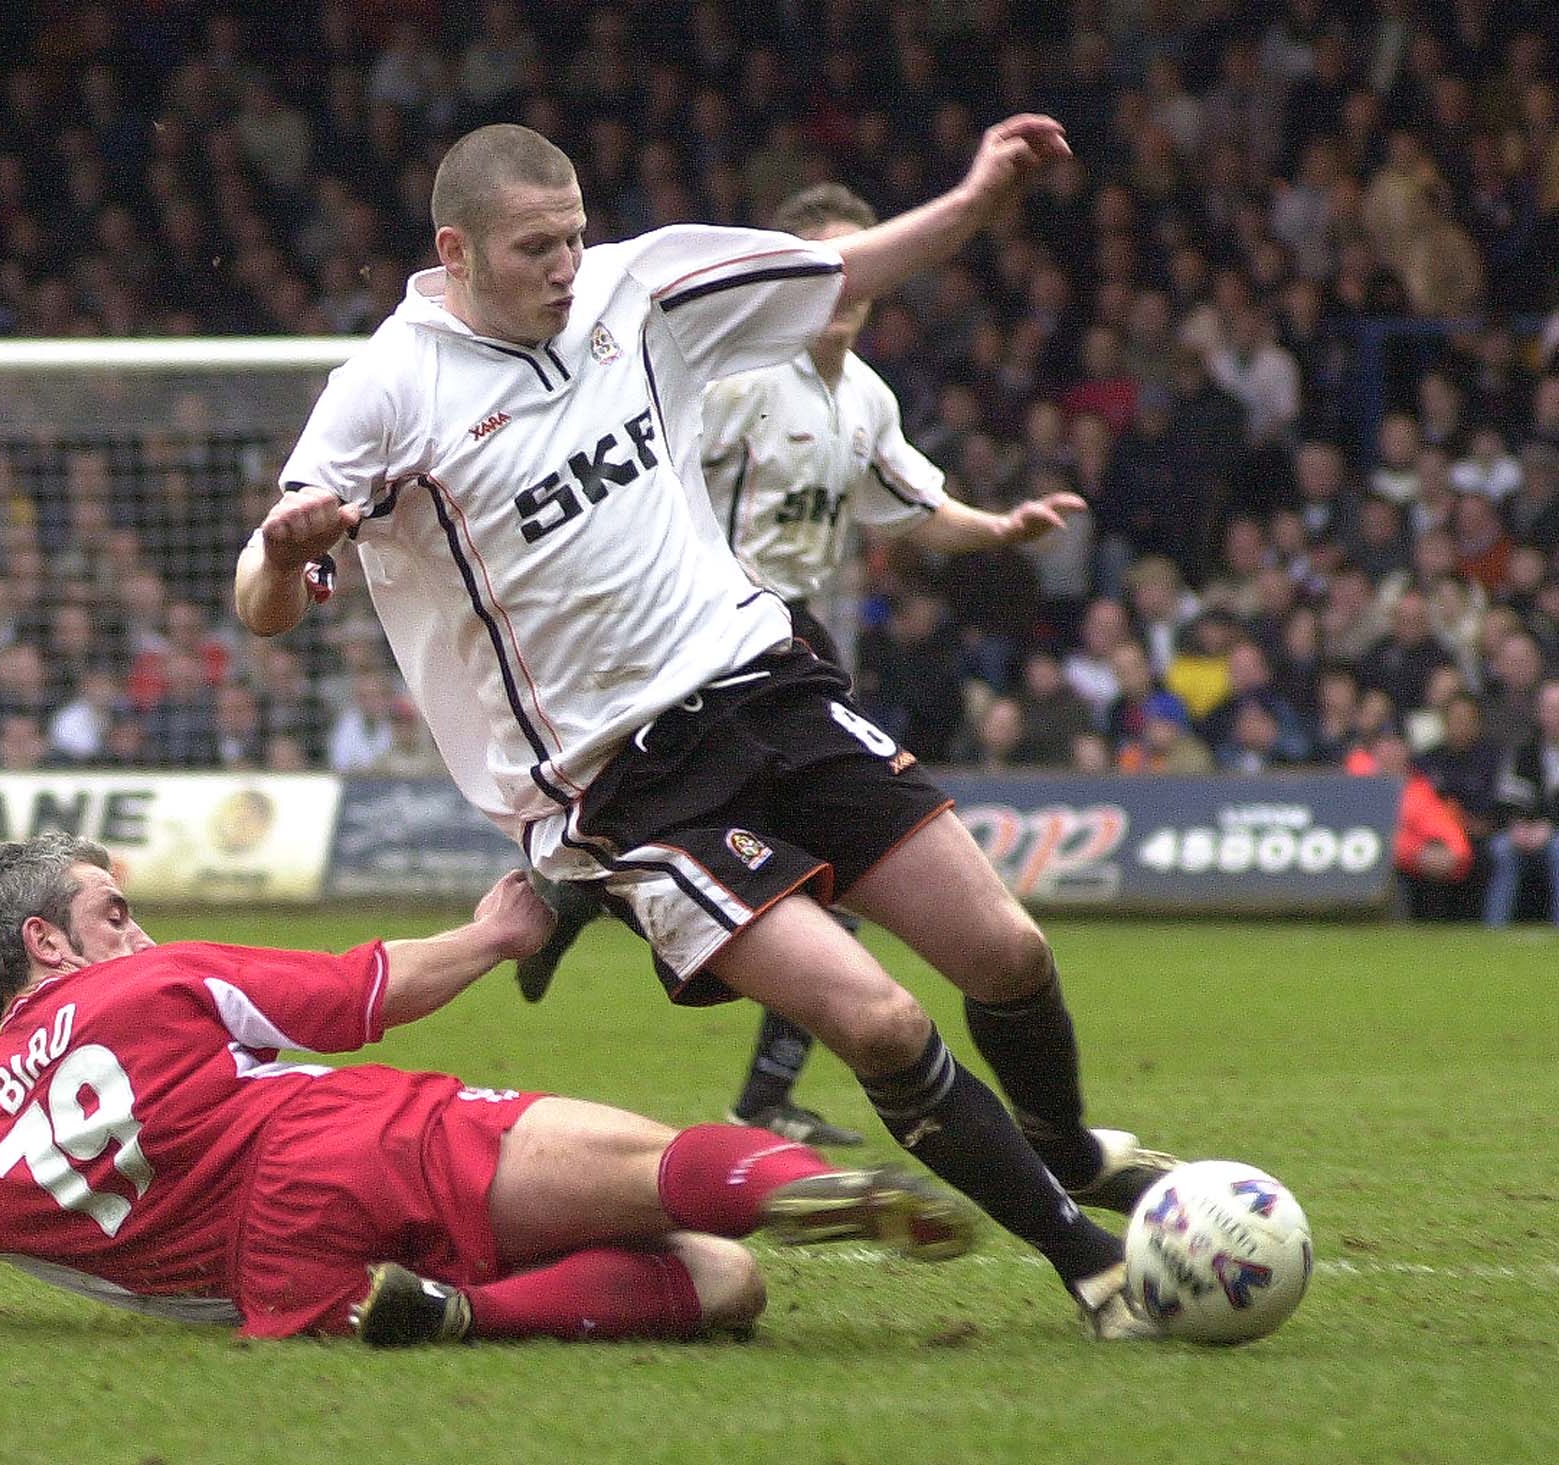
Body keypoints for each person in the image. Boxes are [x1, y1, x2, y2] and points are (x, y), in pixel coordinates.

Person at [235, 120, 1172, 1339]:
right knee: (880, 1019)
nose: (567, 264)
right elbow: (268, 604)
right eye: (535, 247)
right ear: (455, 252)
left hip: (760, 682)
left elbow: (838, 275)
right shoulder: (385, 391)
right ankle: (1087, 1260)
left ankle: (1058, 1139)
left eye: (574, 234)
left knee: (1007, 952)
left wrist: (974, 195)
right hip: (620, 783)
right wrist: (282, 557)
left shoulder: (639, 289)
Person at [0, 834, 978, 1346]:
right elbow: (368, 993)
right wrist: (497, 932)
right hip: (344, 1147)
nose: (139, 925)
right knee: (662, 1163)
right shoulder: (151, 987)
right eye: (113, 906)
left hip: (276, 1271)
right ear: (48, 942)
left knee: (717, 1286)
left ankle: (454, 1316)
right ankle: (831, 1185)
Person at [511, 182, 1088, 1151]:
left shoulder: (865, 396)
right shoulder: (733, 380)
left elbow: (905, 503)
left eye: (857, 264)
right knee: (804, 889)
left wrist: (997, 529)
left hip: (795, 643)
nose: (845, 288)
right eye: (824, 263)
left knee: (823, 888)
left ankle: (587, 902)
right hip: (710, 641)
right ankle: (593, 891)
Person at [1482, 679, 1559, 928]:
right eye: (1549, 708)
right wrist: (1518, 826)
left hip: (1553, 835)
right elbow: (1509, 797)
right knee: (1502, 849)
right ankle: (1495, 930)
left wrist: (1549, 827)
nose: (1554, 716)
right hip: (1525, 831)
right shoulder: (1524, 752)